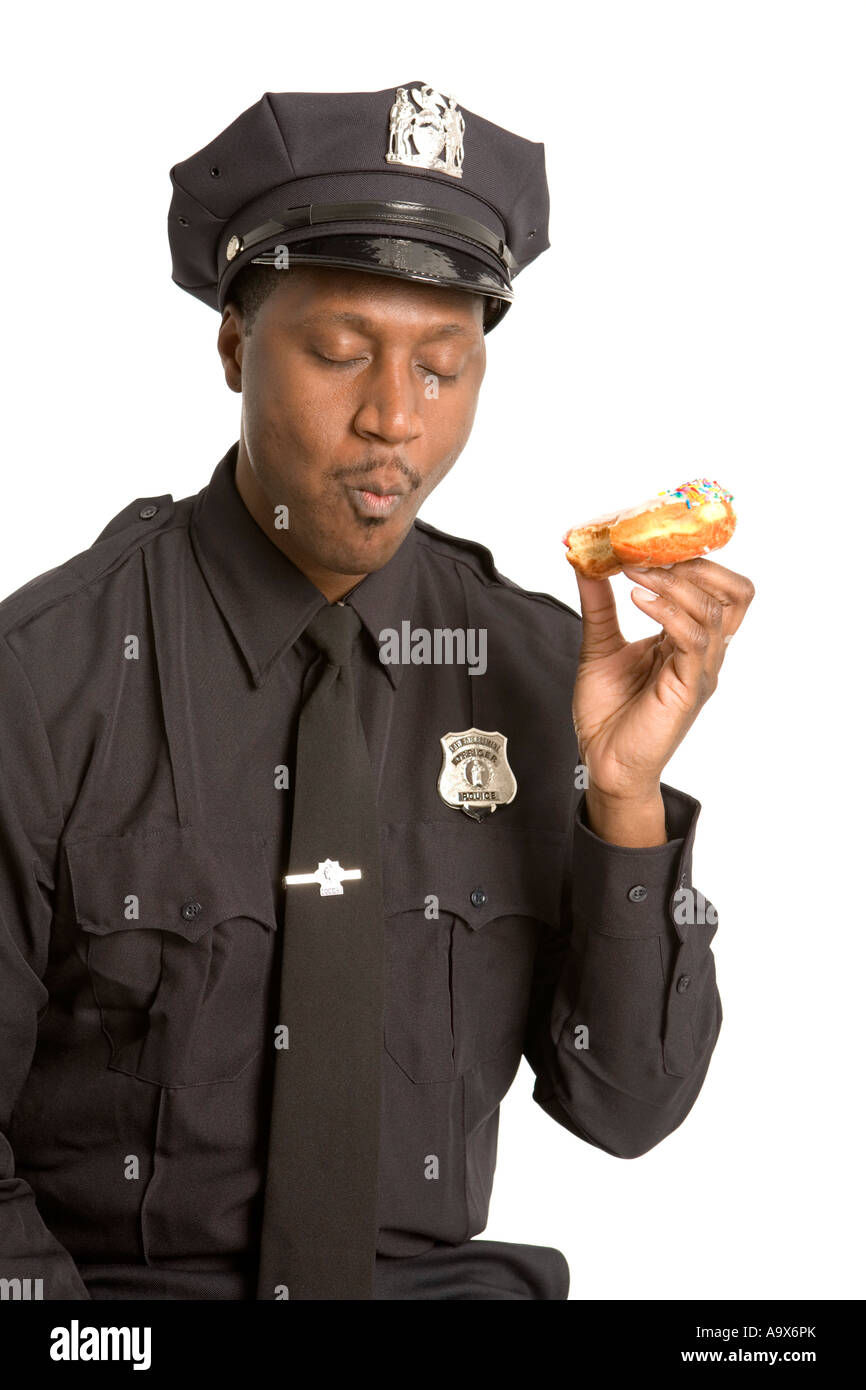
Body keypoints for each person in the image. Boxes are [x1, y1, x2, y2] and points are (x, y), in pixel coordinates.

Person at [0, 80, 754, 1302]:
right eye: (340, 353)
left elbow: (625, 1106)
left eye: (443, 367)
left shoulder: (536, 669)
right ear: (237, 345)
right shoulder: (44, 680)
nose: (393, 419)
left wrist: (622, 796)